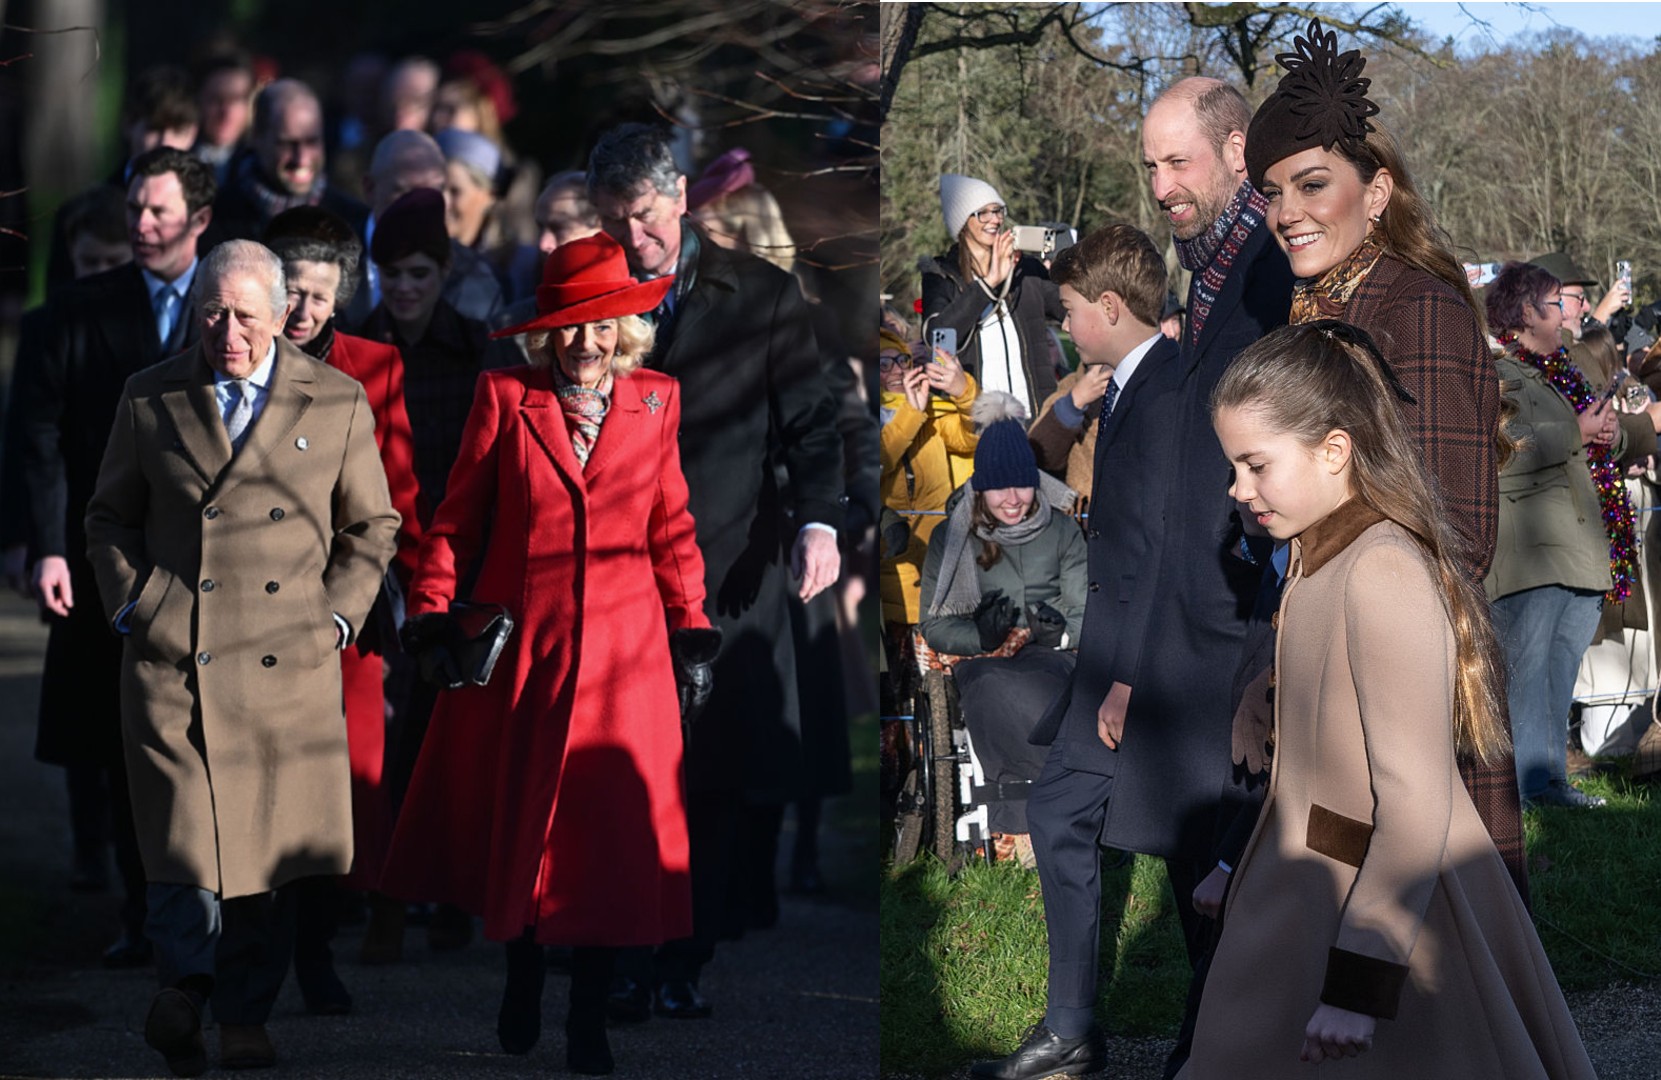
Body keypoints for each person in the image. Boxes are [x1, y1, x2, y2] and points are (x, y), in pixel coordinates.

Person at [1177, 319, 1597, 1079]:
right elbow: (1306, 771)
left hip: (1392, 923)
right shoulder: (1311, 558)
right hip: (1311, 897)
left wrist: (1361, 984)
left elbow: (1410, 797)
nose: (1237, 489)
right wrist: (1240, 865)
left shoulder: (1380, 569)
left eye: (1254, 465)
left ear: (1333, 450)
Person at [379, 232, 714, 1075]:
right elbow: (454, 520)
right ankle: (521, 975)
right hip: (525, 647)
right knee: (522, 827)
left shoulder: (656, 401)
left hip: (626, 656)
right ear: (544, 332)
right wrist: (430, 612)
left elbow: (670, 525)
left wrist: (691, 626)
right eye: (568, 325)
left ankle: (588, 1018)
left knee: (602, 843)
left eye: (601, 325)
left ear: (625, 331)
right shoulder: (506, 397)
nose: (585, 342)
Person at [84, 239, 399, 1075]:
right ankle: (184, 990)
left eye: (246, 317)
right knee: (183, 844)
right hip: (172, 658)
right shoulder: (149, 396)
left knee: (264, 854)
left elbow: (372, 526)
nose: (228, 332)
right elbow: (107, 517)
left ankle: (245, 1014)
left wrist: (332, 618)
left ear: (282, 311)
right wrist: (135, 603)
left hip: (283, 660)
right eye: (214, 314)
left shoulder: (333, 400)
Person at [1242, 17, 1527, 895]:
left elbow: (1454, 534)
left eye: (1311, 184)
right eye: (1270, 191)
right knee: (1321, 933)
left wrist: (1347, 670)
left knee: (1423, 960)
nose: (1286, 211)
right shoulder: (1320, 312)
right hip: (1333, 681)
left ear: (1376, 192)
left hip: (1404, 700)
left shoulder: (1417, 310)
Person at [586, 122, 844, 1018]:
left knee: (713, 774)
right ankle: (617, 949)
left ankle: (680, 957)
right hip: (611, 565)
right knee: (622, 766)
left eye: (649, 217)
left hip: (728, 558)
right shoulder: (588, 289)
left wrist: (818, 523)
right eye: (618, 221)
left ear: (683, 197)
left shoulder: (761, 294)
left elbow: (810, 423)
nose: (637, 238)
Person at [973, 222, 1190, 1079]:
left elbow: (1166, 546)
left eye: (1065, 310)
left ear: (1106, 308)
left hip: (1148, 663)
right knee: (1061, 816)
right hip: (1109, 650)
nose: (1060, 325)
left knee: (1187, 843)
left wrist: (1131, 677)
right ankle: (1071, 1028)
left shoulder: (1168, 390)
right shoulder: (1124, 385)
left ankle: (1216, 1026)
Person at [18, 149, 218, 972]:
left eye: (160, 213)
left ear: (200, 222)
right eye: (135, 208)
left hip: (215, 561)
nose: (140, 225)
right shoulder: (74, 311)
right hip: (113, 559)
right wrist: (47, 548)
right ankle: (142, 913)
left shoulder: (237, 301)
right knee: (122, 738)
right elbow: (36, 436)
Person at [262, 205, 424, 1007]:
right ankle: (255, 955)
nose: (301, 311)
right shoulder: (225, 356)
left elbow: (397, 499)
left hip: (344, 616)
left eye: (319, 296)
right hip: (245, 608)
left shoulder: (374, 366)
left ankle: (318, 950)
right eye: (290, 290)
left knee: (345, 789)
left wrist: (425, 594)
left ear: (341, 299)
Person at [1484, 261, 1636, 809]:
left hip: (1582, 551)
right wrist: (1578, 429)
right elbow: (1506, 447)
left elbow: (1594, 449)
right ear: (1526, 312)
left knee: (1558, 675)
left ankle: (1550, 784)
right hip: (1531, 554)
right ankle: (1520, 792)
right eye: (1557, 305)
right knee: (1525, 677)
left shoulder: (1561, 369)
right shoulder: (1495, 370)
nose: (1567, 315)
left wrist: (1610, 433)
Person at [919, 393, 1086, 837]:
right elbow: (934, 624)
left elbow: (1083, 610)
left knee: (1047, 688)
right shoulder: (952, 537)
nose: (1012, 499)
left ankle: (1051, 813)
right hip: (984, 659)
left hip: (1052, 655)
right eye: (999, 487)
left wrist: (1061, 636)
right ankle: (1029, 819)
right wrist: (979, 635)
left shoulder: (1063, 529)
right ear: (980, 487)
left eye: (1022, 484)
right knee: (995, 686)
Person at [921, 174, 1063, 417]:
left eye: (998, 210)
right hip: (978, 421)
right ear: (962, 221)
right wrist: (989, 283)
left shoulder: (1026, 269)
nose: (995, 219)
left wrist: (1067, 272)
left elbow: (1068, 309)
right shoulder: (941, 274)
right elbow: (937, 334)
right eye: (982, 213)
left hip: (1035, 416)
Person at [342, 129, 505, 328]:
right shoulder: (330, 259)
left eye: (432, 193)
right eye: (405, 192)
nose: (419, 206)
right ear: (369, 189)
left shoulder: (474, 278)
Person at [880, 328, 978, 630]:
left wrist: (964, 393)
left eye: (903, 360)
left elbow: (971, 439)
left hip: (942, 565)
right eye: (883, 364)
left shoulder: (932, 411)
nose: (897, 370)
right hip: (892, 574)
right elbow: (874, 463)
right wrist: (911, 411)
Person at [207, 79, 370, 246]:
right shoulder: (213, 220)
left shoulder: (353, 224)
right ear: (256, 137)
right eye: (287, 144)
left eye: (311, 142)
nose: (301, 158)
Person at [436, 127, 540, 302]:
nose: (442, 201)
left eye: (455, 191)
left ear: (489, 195)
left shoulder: (519, 265)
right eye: (436, 188)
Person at [190, 51, 255, 184]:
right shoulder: (178, 159)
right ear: (198, 101)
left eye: (236, 99)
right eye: (216, 99)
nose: (226, 112)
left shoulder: (263, 165)